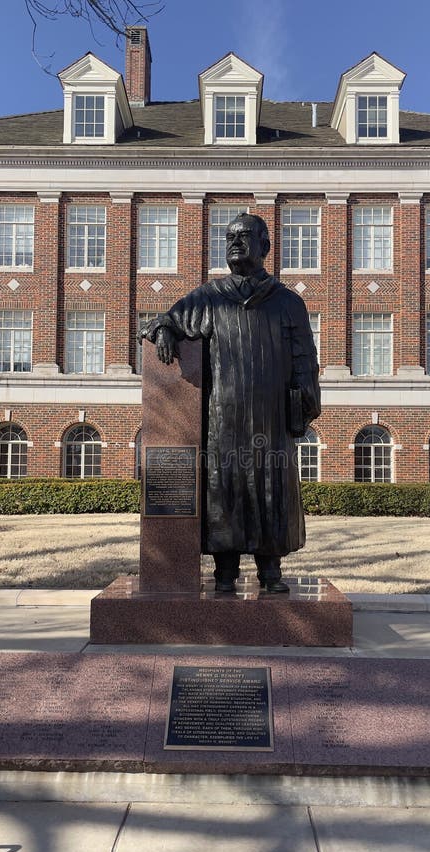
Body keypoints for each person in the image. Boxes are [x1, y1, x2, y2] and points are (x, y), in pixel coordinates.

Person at [138, 213, 321, 593]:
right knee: (225, 491)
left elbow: (305, 359)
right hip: (222, 419)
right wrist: (165, 332)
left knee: (271, 492)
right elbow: (161, 321)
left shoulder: (287, 303)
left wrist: (303, 406)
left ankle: (270, 571)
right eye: (229, 237)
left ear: (266, 246)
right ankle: (225, 572)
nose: (235, 243)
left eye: (245, 236)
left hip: (271, 419)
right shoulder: (209, 297)